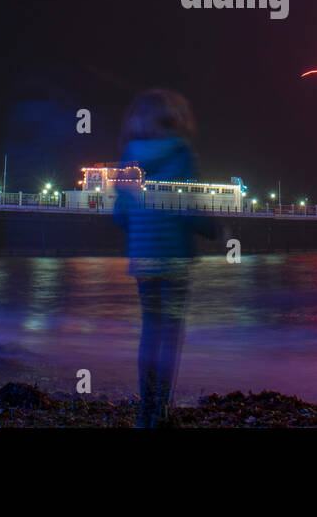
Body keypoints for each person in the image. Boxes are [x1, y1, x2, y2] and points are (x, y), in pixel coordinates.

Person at [111, 89, 216, 427]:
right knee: (170, 334)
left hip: (143, 259)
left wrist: (141, 230)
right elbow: (187, 207)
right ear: (175, 118)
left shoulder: (129, 157)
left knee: (150, 332)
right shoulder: (182, 153)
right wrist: (213, 229)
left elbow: (120, 214)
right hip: (174, 258)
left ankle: (145, 413)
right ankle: (161, 412)